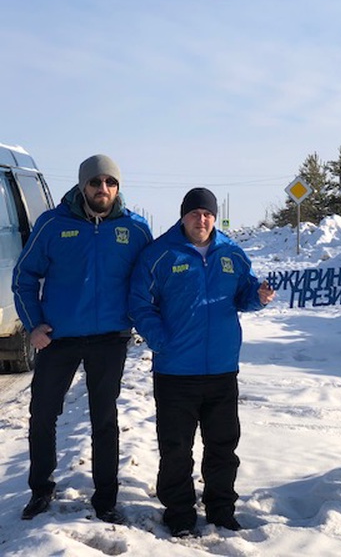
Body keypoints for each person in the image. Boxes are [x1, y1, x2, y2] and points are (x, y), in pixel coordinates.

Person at [13, 154, 153, 523]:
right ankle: (41, 489)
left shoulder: (135, 230)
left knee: (103, 419)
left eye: (110, 182)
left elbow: (153, 279)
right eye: (95, 183)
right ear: (82, 186)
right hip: (59, 338)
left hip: (110, 338)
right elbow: (24, 277)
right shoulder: (53, 225)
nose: (102, 189)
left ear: (118, 187)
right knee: (42, 414)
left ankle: (106, 498)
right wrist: (34, 324)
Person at [128, 187, 275, 538]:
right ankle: (179, 511)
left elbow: (244, 295)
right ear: (183, 216)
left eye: (207, 213)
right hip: (176, 371)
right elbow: (139, 304)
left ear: (214, 216)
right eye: (195, 213)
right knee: (176, 448)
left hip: (223, 369)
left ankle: (221, 509)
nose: (202, 219)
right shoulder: (159, 254)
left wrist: (258, 297)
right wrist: (163, 342)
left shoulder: (232, 253)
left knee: (223, 446)